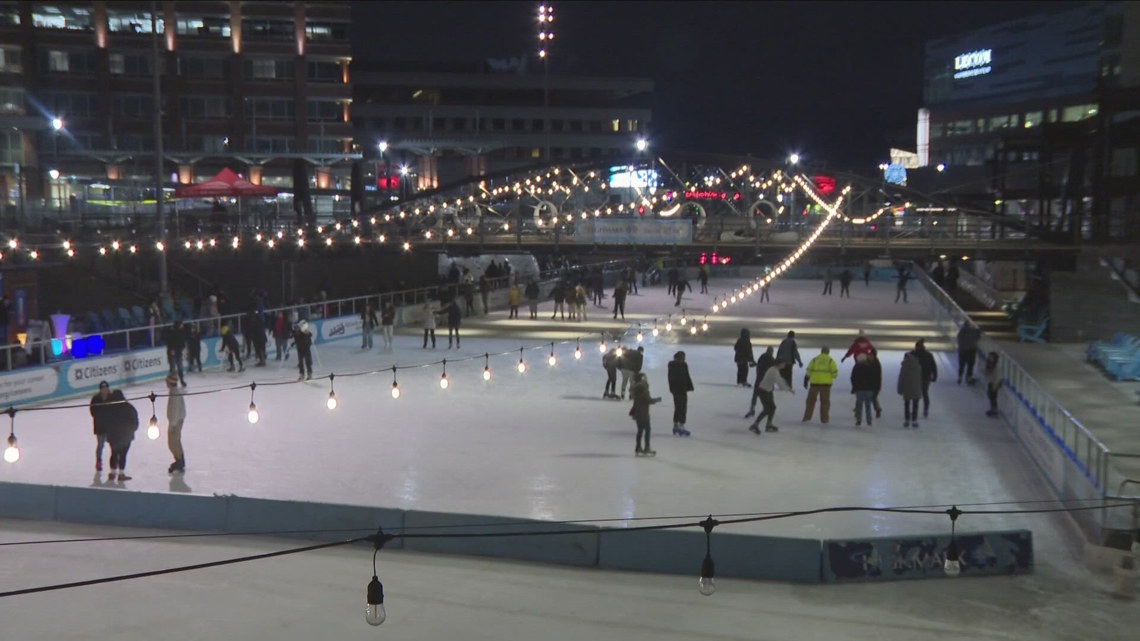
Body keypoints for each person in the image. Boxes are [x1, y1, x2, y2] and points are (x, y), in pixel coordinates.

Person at [748, 361, 793, 434]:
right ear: (779, 364)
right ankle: (755, 425)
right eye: (783, 363)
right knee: (768, 409)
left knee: (772, 407)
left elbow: (780, 380)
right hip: (763, 391)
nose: (784, 364)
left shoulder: (774, 369)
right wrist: (788, 389)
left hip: (766, 390)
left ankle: (768, 424)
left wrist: (787, 387)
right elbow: (779, 382)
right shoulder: (773, 371)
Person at [106, 389, 139, 482]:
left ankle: (112, 473)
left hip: (113, 436)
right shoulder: (129, 407)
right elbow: (135, 422)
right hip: (126, 436)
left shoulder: (109, 408)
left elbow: (106, 422)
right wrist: (131, 431)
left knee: (114, 453)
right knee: (123, 455)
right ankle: (121, 473)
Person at [802, 346, 839, 423]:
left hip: (814, 384)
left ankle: (807, 417)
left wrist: (806, 380)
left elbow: (809, 370)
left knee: (810, 401)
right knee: (825, 402)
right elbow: (835, 374)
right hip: (825, 385)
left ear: (821, 351)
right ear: (828, 352)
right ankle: (824, 419)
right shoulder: (830, 361)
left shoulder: (814, 360)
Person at [629, 372, 661, 457]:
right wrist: (657, 400)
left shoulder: (635, 388)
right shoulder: (643, 388)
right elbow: (648, 400)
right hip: (643, 413)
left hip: (637, 412)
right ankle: (647, 448)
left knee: (640, 431)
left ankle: (638, 447)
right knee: (647, 430)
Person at [90, 381, 117, 471]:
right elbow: (93, 411)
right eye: (102, 389)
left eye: (106, 388)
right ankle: (98, 462)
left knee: (113, 445)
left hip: (110, 426)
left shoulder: (111, 397)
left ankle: (114, 462)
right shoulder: (96, 399)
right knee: (100, 445)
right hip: (100, 426)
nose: (104, 390)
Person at [667, 351, 694, 437]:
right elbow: (671, 378)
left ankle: (678, 425)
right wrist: (672, 388)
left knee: (682, 406)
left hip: (682, 389)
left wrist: (689, 386)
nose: (683, 359)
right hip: (677, 389)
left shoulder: (683, 365)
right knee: (680, 407)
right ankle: (679, 425)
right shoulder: (673, 365)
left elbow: (686, 376)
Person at [165, 374, 187, 474]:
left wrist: (172, 424)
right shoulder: (174, 391)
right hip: (177, 419)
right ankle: (179, 461)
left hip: (176, 421)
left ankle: (179, 462)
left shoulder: (174, 393)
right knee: (174, 442)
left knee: (173, 442)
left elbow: (174, 409)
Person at [745, 346, 775, 418]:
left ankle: (752, 409)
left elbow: (758, 367)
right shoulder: (772, 359)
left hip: (759, 379)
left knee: (755, 395)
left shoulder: (762, 357)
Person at [850, 353, 879, 427]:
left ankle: (858, 420)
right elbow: (874, 378)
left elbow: (853, 378)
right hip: (869, 389)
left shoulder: (856, 367)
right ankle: (869, 420)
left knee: (859, 405)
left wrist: (854, 387)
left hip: (859, 389)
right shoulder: (870, 366)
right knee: (868, 405)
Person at [911, 339, 938, 418]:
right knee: (925, 393)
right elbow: (934, 366)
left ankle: (915, 411)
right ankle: (925, 410)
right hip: (926, 377)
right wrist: (934, 376)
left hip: (916, 377)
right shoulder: (928, 355)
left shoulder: (913, 354)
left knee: (916, 395)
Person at [898, 351, 923, 428]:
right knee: (915, 405)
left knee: (907, 404)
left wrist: (900, 389)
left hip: (907, 388)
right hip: (916, 388)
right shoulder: (918, 366)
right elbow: (920, 378)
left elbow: (901, 378)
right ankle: (914, 420)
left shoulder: (904, 366)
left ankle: (907, 419)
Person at [163, 320, 187, 387]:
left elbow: (182, 341)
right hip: (172, 353)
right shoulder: (171, 332)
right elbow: (169, 342)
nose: (182, 326)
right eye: (181, 324)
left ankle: (182, 380)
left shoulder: (181, 332)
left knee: (180, 368)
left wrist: (183, 347)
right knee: (173, 369)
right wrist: (171, 349)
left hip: (179, 352)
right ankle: (172, 382)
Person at [984, 352, 1001, 417]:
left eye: (991, 357)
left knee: (993, 397)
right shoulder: (990, 365)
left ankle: (994, 410)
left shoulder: (996, 366)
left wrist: (995, 385)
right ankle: (992, 409)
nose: (990, 358)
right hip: (990, 382)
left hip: (994, 383)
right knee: (990, 396)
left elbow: (998, 376)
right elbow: (987, 373)